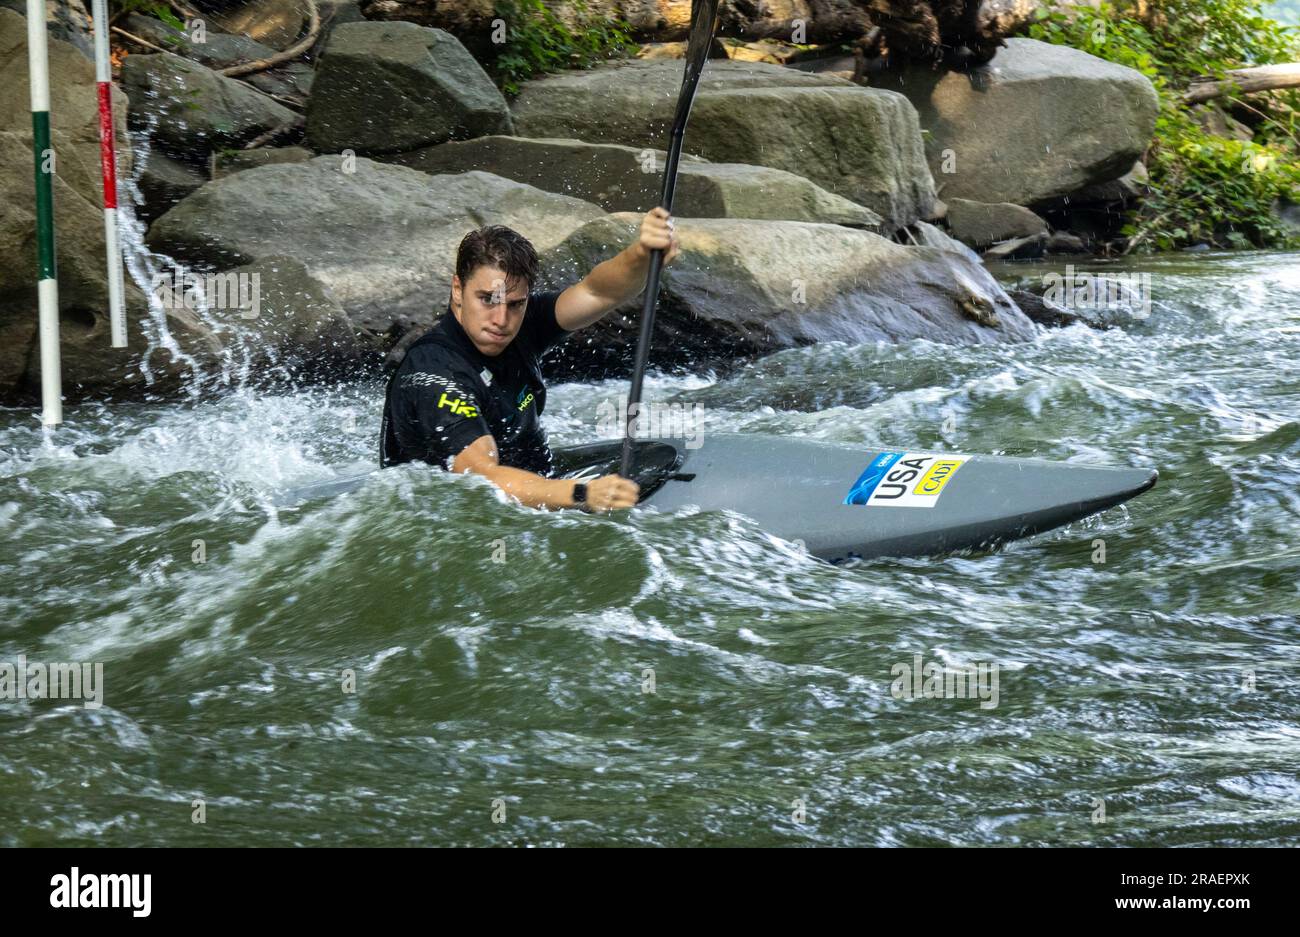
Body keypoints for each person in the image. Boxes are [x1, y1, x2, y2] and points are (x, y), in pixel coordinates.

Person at [379, 208, 680, 513]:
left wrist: (641, 254)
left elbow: (598, 291)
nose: (501, 320)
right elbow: (481, 479)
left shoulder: (520, 324)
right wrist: (581, 495)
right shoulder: (434, 375)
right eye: (487, 299)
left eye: (515, 304)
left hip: (533, 485)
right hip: (451, 521)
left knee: (652, 454)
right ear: (458, 290)